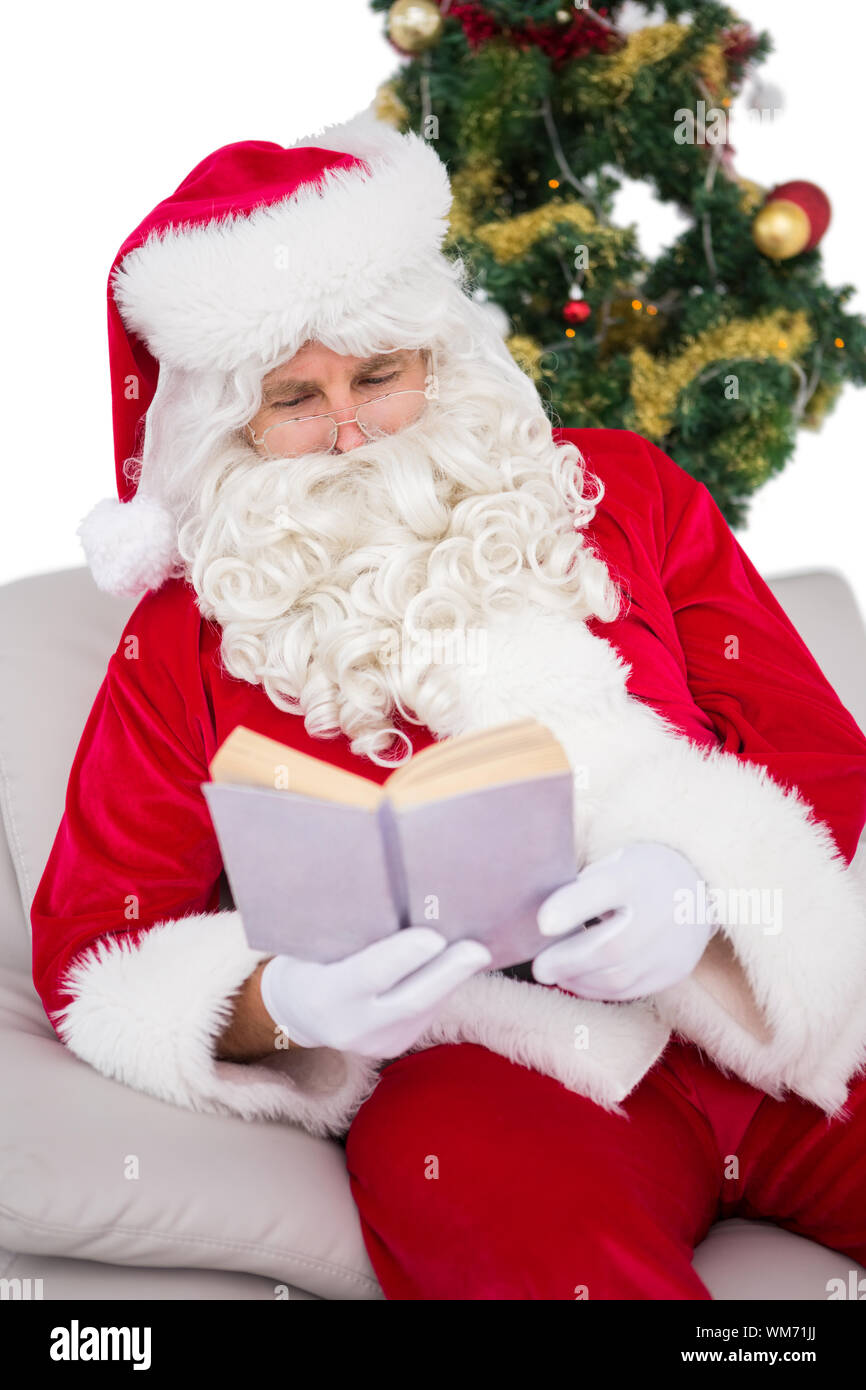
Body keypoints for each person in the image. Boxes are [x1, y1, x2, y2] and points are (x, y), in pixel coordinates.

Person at [30, 109, 866, 1300]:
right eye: (293, 399)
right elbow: (98, 940)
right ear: (231, 424)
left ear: (438, 357)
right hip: (493, 1066)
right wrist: (282, 1002)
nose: (349, 431)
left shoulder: (623, 491)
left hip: (766, 1003)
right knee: (509, 1229)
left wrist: (704, 890)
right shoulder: (184, 631)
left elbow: (808, 741)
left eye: (379, 375)